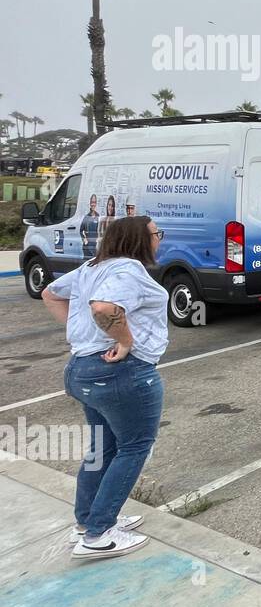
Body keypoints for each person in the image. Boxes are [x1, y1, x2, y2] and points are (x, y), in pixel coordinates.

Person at [41, 215, 168, 560]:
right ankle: (99, 534)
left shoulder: (91, 268)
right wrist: (124, 341)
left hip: (83, 369)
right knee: (135, 446)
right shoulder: (127, 270)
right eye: (157, 234)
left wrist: (85, 333)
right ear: (139, 240)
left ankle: (87, 521)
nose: (160, 239)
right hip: (121, 373)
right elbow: (104, 307)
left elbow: (49, 293)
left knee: (104, 448)